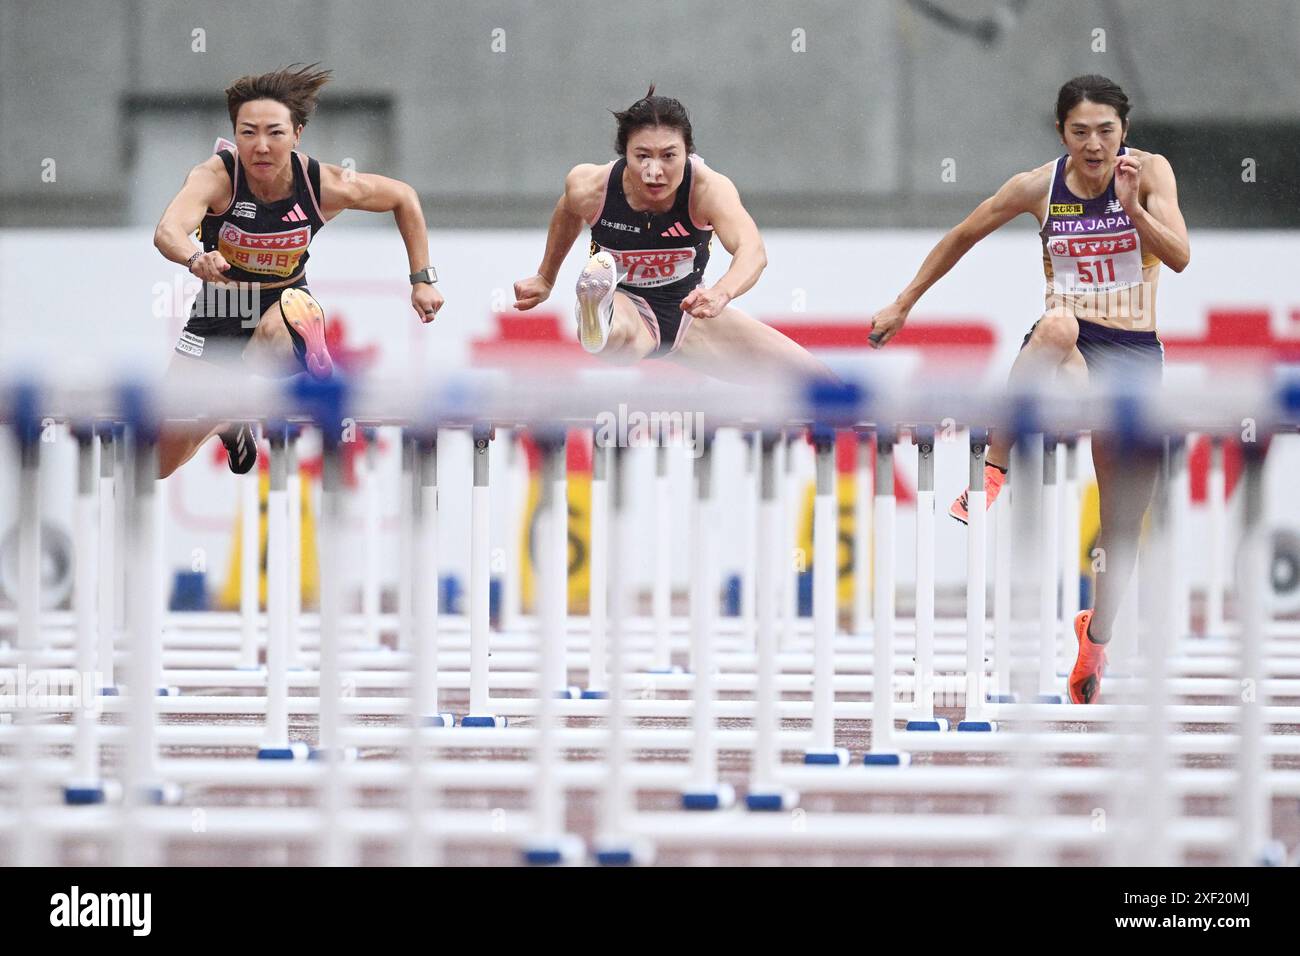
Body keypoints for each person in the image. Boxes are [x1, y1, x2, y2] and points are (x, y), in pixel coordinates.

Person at [867, 75, 1190, 704]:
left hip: (1133, 354)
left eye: (1106, 131)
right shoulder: (1037, 187)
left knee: (1124, 526)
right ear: (1061, 133)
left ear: (1124, 130)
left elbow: (1178, 256)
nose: (1094, 146)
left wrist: (1132, 211)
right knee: (1057, 324)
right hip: (1067, 346)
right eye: (1079, 132)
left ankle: (1097, 634)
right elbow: (964, 233)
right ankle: (994, 467)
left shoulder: (1149, 173)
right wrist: (904, 303)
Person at [152, 63, 444, 478]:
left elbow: (403, 197)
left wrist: (422, 279)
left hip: (285, 299)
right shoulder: (214, 178)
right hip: (219, 306)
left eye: (275, 132)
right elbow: (167, 230)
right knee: (158, 463)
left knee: (276, 335)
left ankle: (298, 344)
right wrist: (195, 258)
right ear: (234, 136)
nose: (261, 146)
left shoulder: (323, 184)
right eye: (248, 132)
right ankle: (224, 418)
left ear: (297, 134)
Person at [511, 86, 834, 384]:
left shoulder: (708, 189)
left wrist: (721, 292)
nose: (655, 171)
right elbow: (567, 212)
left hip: (690, 312)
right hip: (628, 303)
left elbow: (752, 251)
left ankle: (870, 441)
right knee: (617, 340)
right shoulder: (590, 185)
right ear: (625, 153)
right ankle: (598, 314)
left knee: (821, 385)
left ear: (687, 152)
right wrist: (545, 277)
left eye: (668, 155)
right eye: (642, 157)